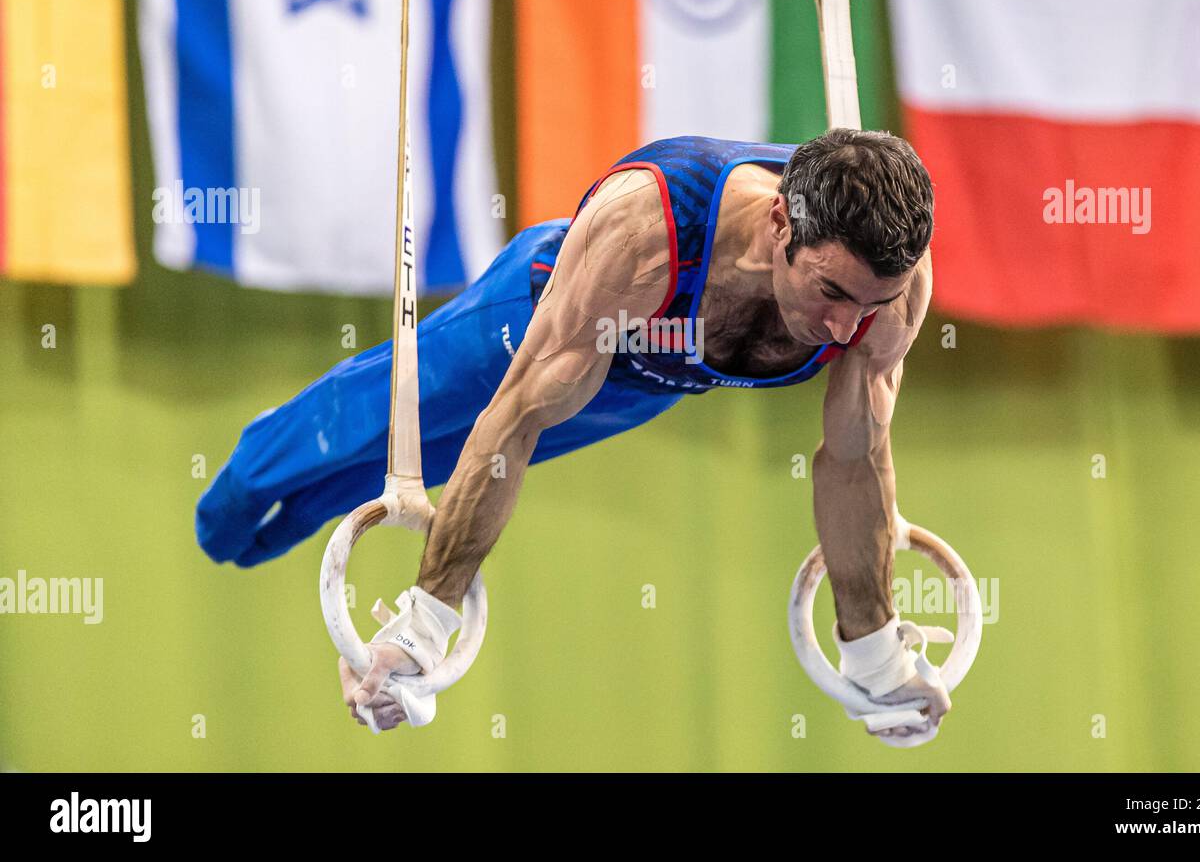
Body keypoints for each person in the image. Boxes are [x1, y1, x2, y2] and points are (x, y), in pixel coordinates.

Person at [197, 127, 941, 739]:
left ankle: (298, 507)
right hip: (535, 323)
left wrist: (876, 660)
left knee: (403, 475)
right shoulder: (648, 230)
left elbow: (854, 460)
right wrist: (425, 624)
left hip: (644, 387)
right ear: (780, 223)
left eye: (873, 303)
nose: (846, 328)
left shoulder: (891, 292)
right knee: (363, 428)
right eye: (831, 292)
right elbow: (513, 423)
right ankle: (257, 463)